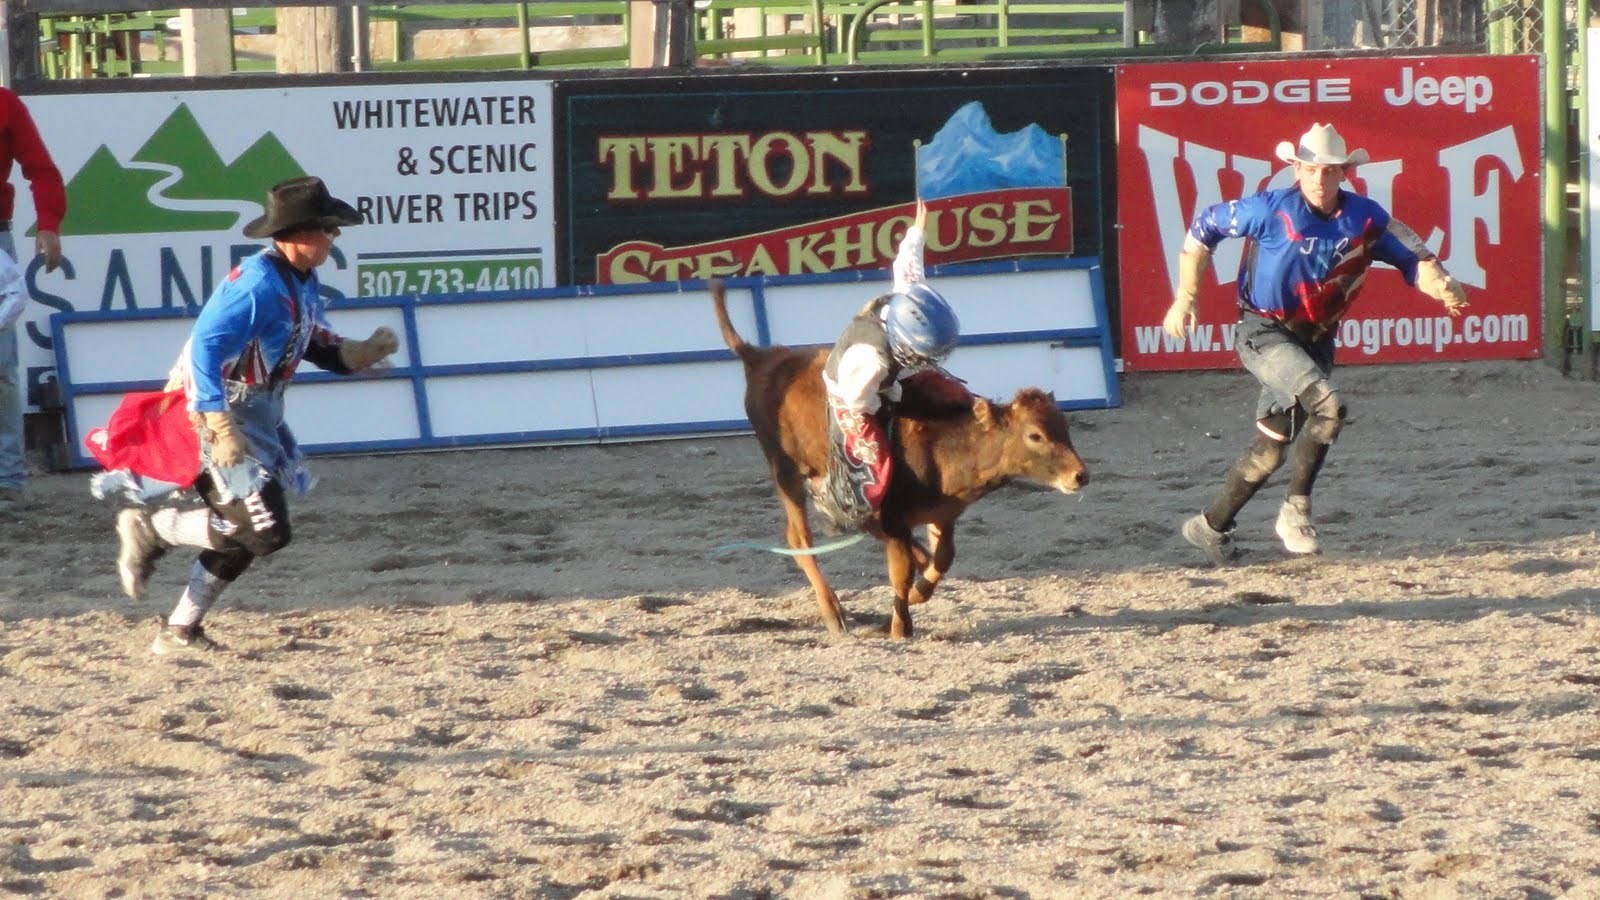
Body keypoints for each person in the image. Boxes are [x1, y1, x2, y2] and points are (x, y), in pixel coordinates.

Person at [109, 175, 398, 654]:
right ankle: (154, 530)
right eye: (328, 228)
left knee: (253, 531)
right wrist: (219, 426)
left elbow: (309, 339)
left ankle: (180, 629)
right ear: (301, 234)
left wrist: (357, 353)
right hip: (213, 412)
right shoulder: (259, 285)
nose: (335, 236)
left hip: (253, 414)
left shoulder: (296, 280)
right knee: (262, 531)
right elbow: (204, 347)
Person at [1164, 123, 1469, 565]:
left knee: (1271, 447)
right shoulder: (1269, 210)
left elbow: (1416, 258)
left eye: (1328, 171)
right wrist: (1186, 297)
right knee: (1329, 406)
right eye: (1310, 170)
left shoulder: (1366, 218)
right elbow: (1202, 230)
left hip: (1316, 339)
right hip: (1263, 331)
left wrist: (1440, 284)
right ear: (1297, 170)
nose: (1319, 180)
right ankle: (1297, 511)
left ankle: (1210, 527)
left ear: (1344, 173)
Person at [817, 199, 963, 530]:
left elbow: (907, 265)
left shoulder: (910, 299)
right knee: (876, 465)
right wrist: (891, 396)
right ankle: (834, 500)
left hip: (889, 372)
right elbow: (858, 400)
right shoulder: (871, 361)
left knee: (953, 394)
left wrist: (917, 232)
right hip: (852, 391)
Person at [0, 87, 67, 509]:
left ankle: (7, 477)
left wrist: (49, 223)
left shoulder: (5, 104)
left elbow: (41, 169)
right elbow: (40, 170)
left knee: (1, 363)